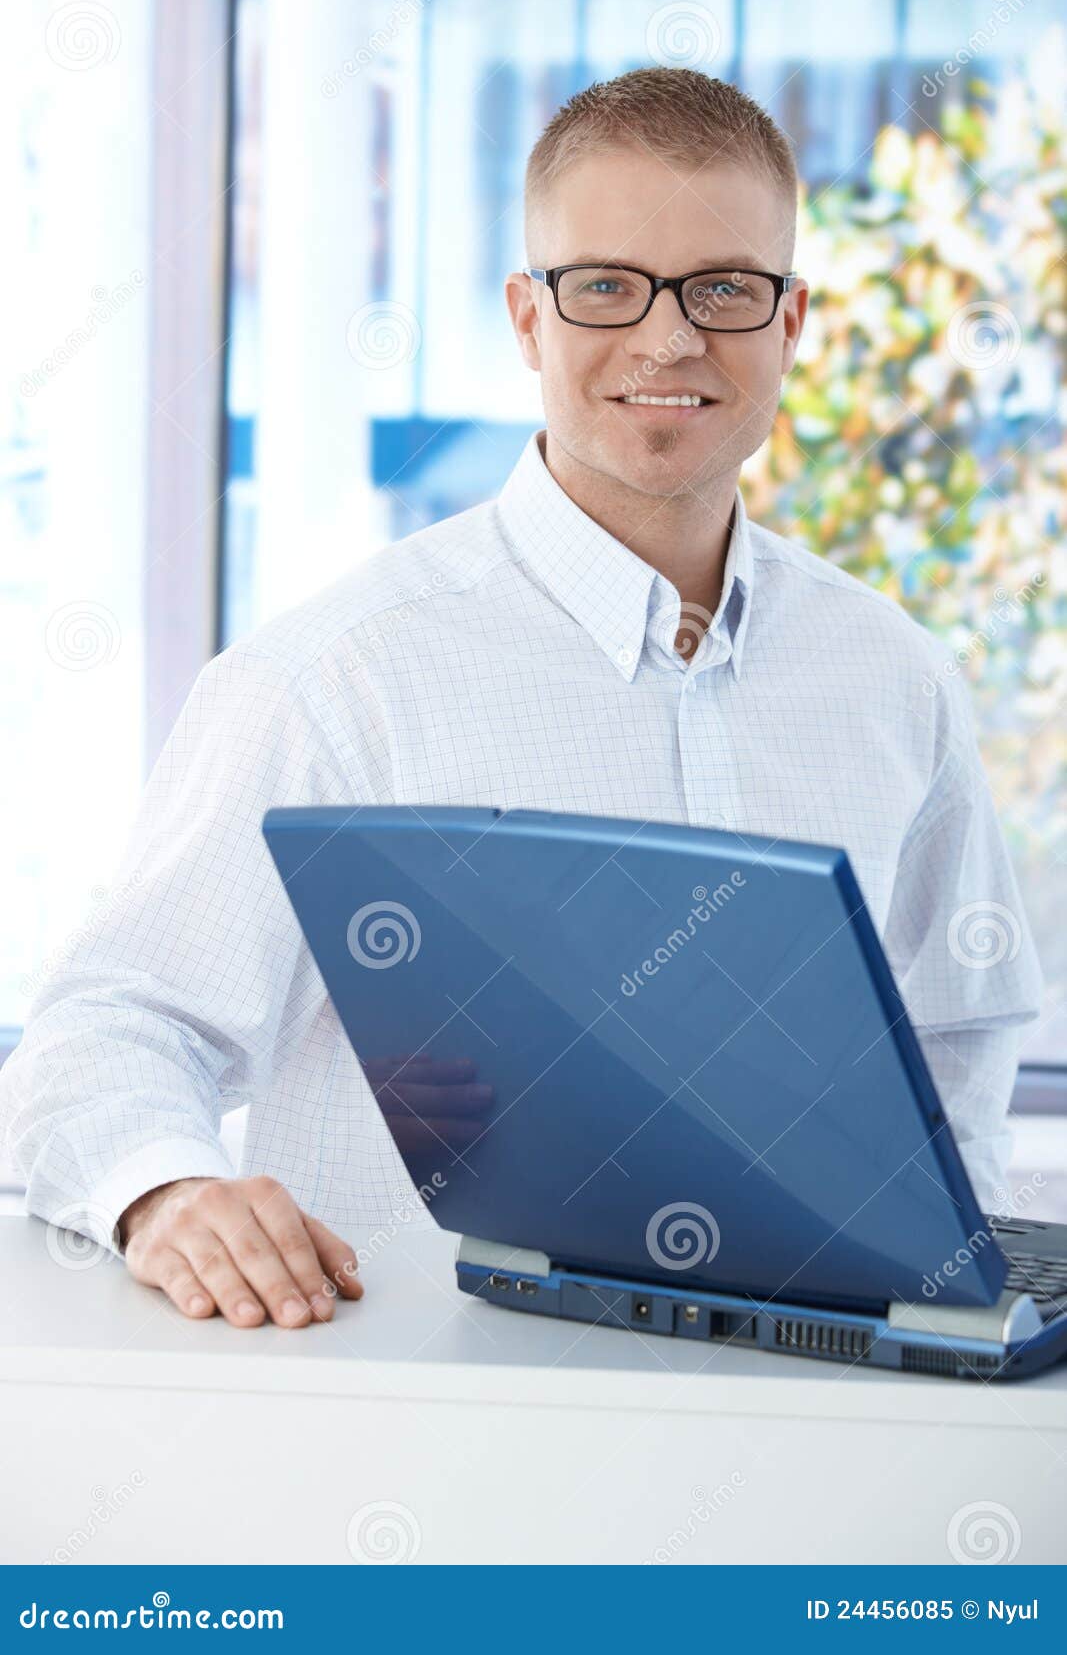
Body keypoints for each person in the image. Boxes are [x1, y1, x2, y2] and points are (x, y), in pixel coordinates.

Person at [0, 66, 1042, 1329]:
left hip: (812, 1404)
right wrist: (167, 1192)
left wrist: (933, 1300)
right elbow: (103, 1031)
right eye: (604, 286)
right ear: (527, 317)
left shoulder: (893, 677)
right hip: (431, 1415)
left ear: (790, 321)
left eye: (722, 288)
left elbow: (957, 1031)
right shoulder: (334, 678)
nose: (667, 340)